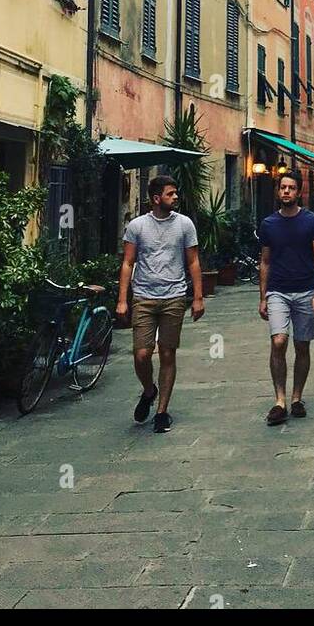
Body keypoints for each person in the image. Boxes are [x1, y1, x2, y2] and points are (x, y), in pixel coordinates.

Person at [116, 172, 204, 434]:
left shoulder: (185, 224)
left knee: (167, 353)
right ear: (156, 198)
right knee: (141, 354)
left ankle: (162, 411)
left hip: (174, 297)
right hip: (143, 296)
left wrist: (198, 297)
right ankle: (148, 389)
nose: (175, 197)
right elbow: (127, 263)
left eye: (176, 193)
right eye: (170, 194)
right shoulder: (137, 226)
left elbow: (193, 262)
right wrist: (123, 299)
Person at [258, 169, 314, 426]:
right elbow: (264, 262)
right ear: (279, 191)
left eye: (291, 188)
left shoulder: (312, 221)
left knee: (302, 345)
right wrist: (263, 297)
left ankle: (297, 398)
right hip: (278, 290)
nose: (286, 191)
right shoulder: (268, 224)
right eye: (283, 187)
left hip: (306, 290)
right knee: (278, 341)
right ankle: (280, 400)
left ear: (299, 192)